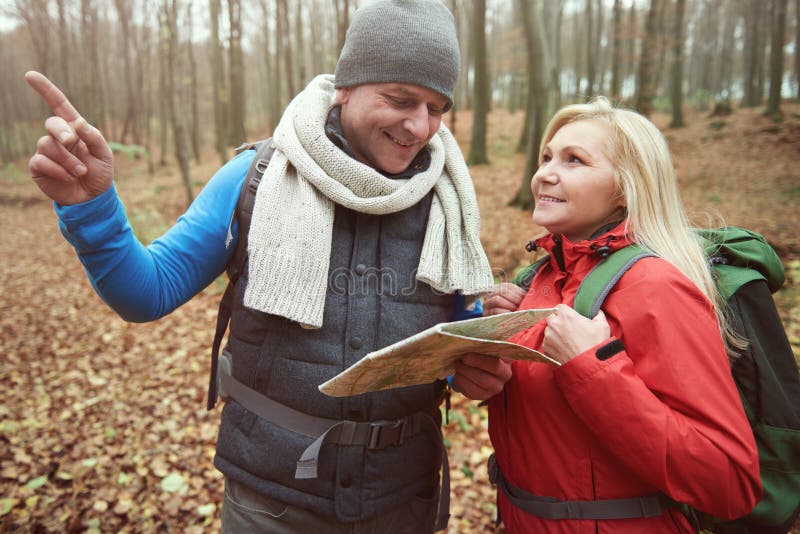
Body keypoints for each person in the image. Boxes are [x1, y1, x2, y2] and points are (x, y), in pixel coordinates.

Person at [25, 1, 513, 532]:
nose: (421, 126)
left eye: (437, 107)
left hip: (403, 500)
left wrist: (474, 368)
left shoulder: (449, 203)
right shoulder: (256, 176)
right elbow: (147, 292)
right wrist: (92, 207)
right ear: (345, 86)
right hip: (271, 506)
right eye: (400, 99)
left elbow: (453, 345)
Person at [481, 97, 762, 533]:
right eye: (547, 157)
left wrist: (595, 370)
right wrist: (485, 370)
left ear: (626, 187)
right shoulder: (539, 277)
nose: (544, 175)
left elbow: (730, 482)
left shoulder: (655, 287)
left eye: (575, 160)